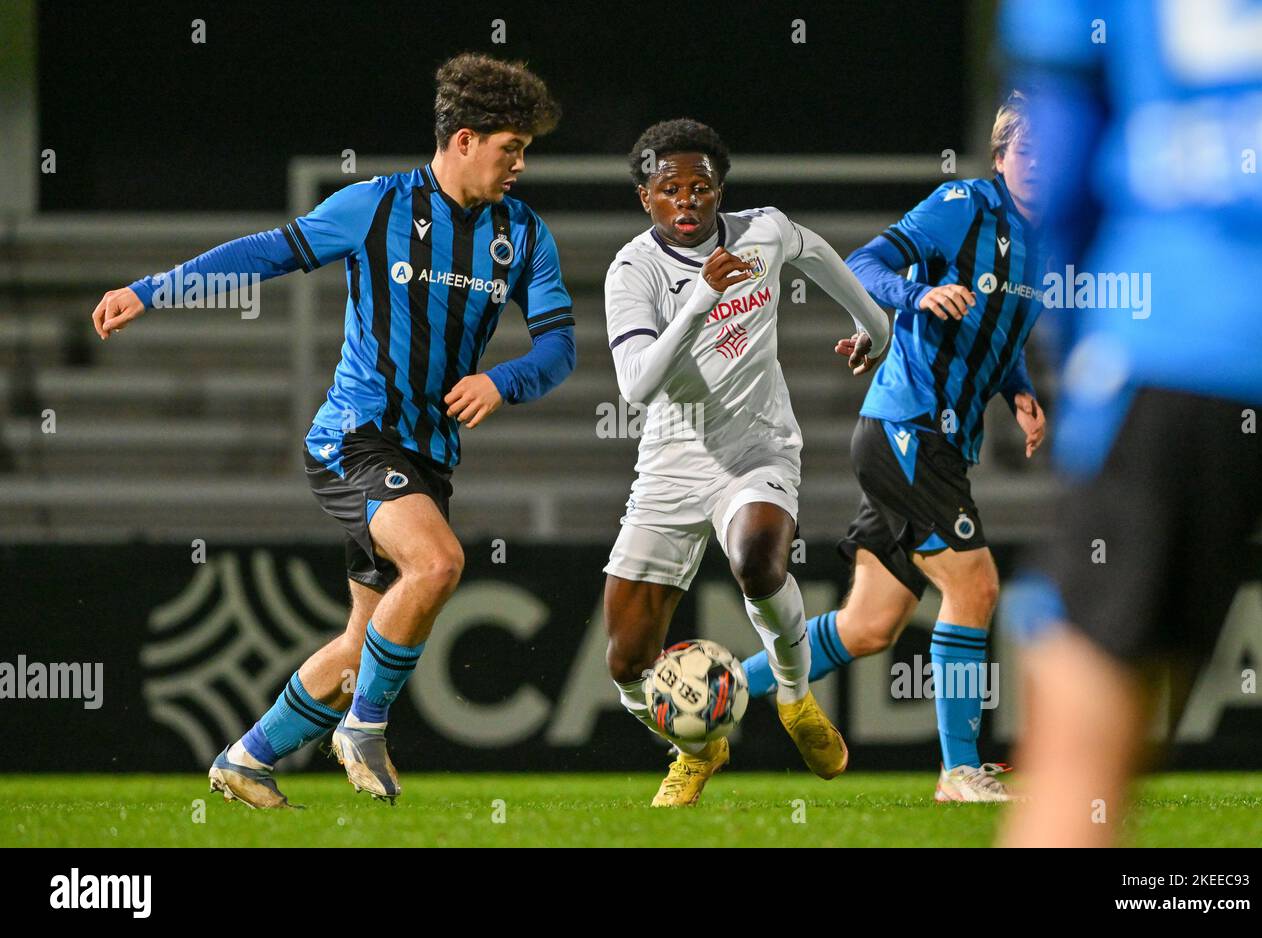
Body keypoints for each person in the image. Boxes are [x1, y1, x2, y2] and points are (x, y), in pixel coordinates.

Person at [92, 53, 575, 807]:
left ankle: (248, 758)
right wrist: (150, 290)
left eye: (525, 151)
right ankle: (364, 728)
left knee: (362, 641)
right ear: (464, 140)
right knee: (439, 565)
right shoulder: (376, 207)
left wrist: (500, 380)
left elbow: (558, 349)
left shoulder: (524, 234)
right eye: (511, 149)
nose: (520, 165)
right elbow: (266, 253)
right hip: (355, 438)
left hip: (427, 457)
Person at [997, 0, 1262, 846]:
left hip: (1190, 313)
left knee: (1084, 692)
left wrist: (1085, 329)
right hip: (1195, 313)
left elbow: (1059, 132)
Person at [738, 92, 1049, 802]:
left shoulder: (1047, 235)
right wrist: (916, 296)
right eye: (1024, 151)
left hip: (933, 436)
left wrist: (1020, 391)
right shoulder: (965, 203)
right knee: (975, 585)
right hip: (909, 425)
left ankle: (716, 690)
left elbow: (996, 331)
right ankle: (960, 770)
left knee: (870, 624)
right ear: (1001, 158)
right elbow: (863, 263)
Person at [601, 118, 891, 806]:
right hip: (672, 462)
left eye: (700, 186)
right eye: (669, 188)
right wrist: (704, 296)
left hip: (757, 446)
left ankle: (793, 697)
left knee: (759, 557)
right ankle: (698, 746)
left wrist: (873, 326)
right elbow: (635, 385)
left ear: (719, 189)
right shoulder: (632, 271)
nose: (687, 200)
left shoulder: (761, 229)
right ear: (647, 198)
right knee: (625, 662)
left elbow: (814, 251)